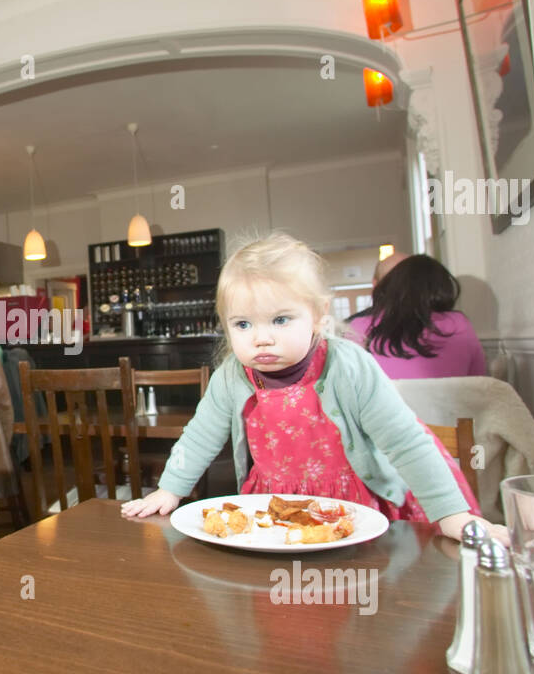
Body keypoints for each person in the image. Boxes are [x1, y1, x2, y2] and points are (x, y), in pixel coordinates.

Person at [120, 232, 494, 542]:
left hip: (353, 507)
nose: (261, 339)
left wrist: (450, 514)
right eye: (243, 325)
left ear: (317, 316)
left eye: (280, 319)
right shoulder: (231, 376)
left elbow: (405, 441)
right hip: (270, 507)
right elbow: (199, 437)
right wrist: (169, 490)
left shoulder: (348, 367)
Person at [345, 254, 487, 378]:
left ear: (387, 286)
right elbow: (478, 383)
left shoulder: (359, 326)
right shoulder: (459, 323)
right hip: (450, 408)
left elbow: (346, 387)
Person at [344, 251, 406, 323]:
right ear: (376, 285)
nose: (401, 286)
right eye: (391, 280)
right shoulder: (352, 327)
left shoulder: (421, 321)